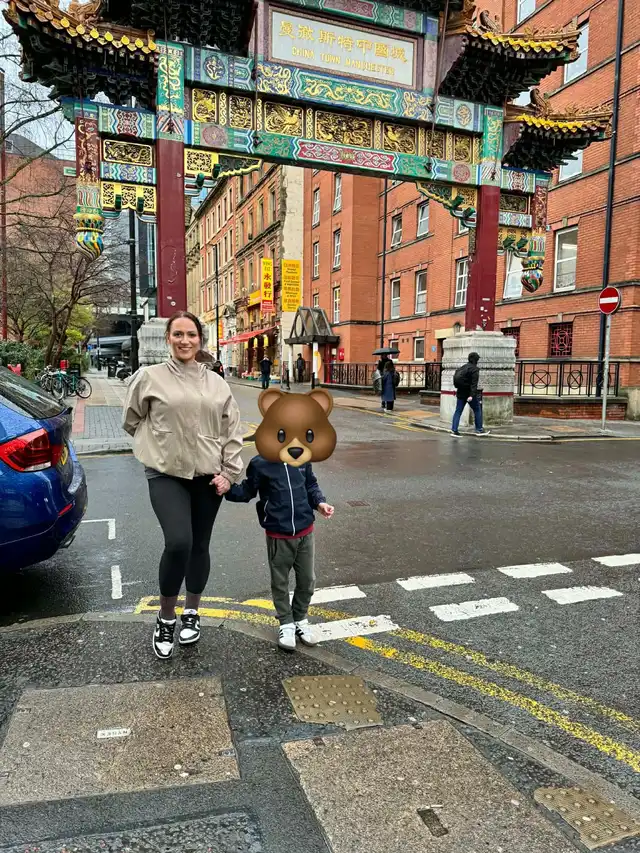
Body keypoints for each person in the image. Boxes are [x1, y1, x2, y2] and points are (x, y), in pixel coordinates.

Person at [122, 310, 245, 660]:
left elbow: (232, 430)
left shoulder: (217, 383)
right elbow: (131, 419)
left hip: (208, 476)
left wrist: (229, 472)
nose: (185, 341)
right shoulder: (149, 377)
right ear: (168, 339)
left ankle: (192, 611)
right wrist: (159, 445)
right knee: (179, 542)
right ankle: (165, 617)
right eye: (178, 334)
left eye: (191, 334)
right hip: (166, 474)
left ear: (200, 339)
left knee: (200, 545)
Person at [225, 445, 334, 651]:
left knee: (307, 580)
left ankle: (300, 619)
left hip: (305, 531)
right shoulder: (260, 463)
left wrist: (320, 503)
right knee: (280, 582)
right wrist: (225, 488)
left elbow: (310, 485)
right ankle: (286, 623)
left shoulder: (302, 457)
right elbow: (247, 491)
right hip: (278, 534)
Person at [451, 351, 490, 436]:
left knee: (458, 411)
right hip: (469, 394)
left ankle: (454, 430)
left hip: (460, 393)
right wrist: (472, 395)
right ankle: (479, 429)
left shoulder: (462, 367)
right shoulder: (474, 369)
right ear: (476, 360)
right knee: (477, 409)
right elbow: (474, 384)